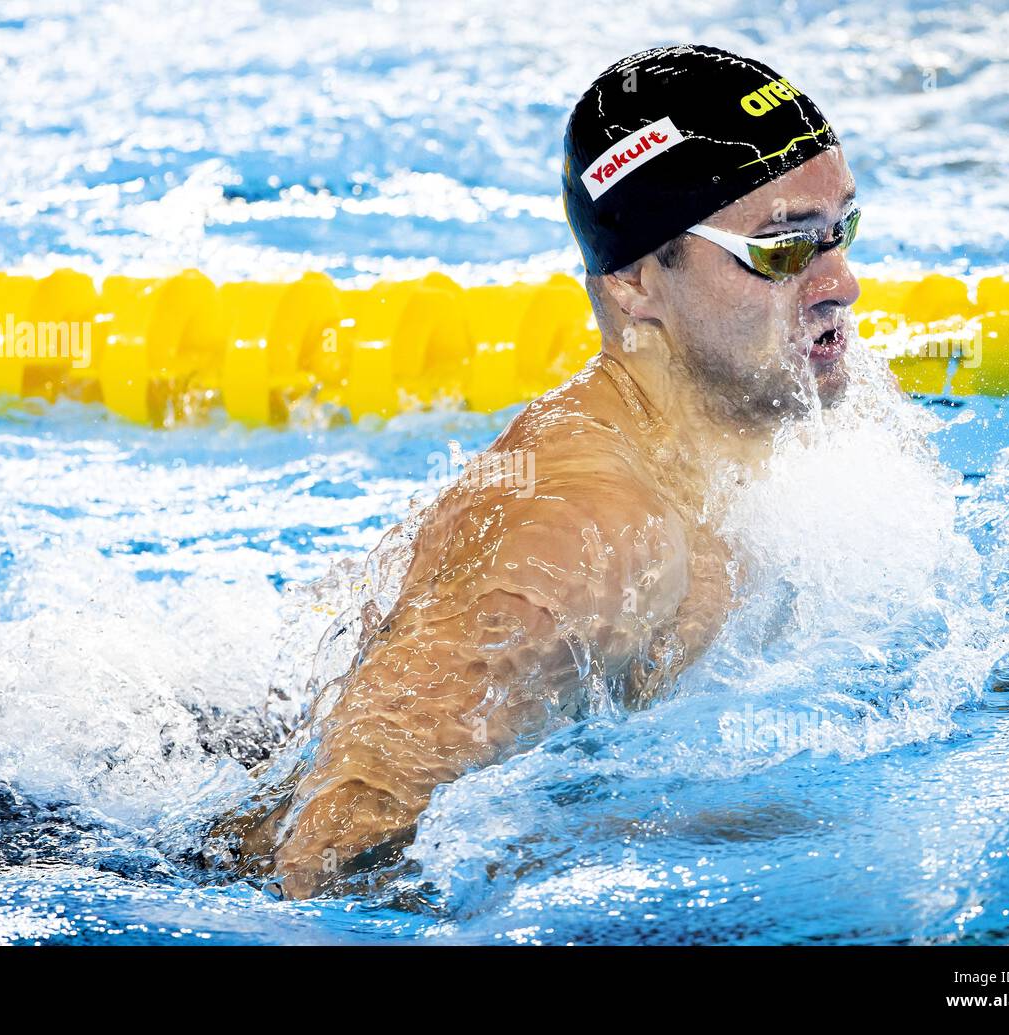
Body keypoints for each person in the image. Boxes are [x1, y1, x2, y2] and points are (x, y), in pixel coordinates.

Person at [209, 43, 861, 898]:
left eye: (841, 228)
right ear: (633, 280)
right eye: (780, 251)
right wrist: (651, 840)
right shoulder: (584, 538)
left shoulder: (778, 426)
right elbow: (321, 853)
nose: (841, 281)